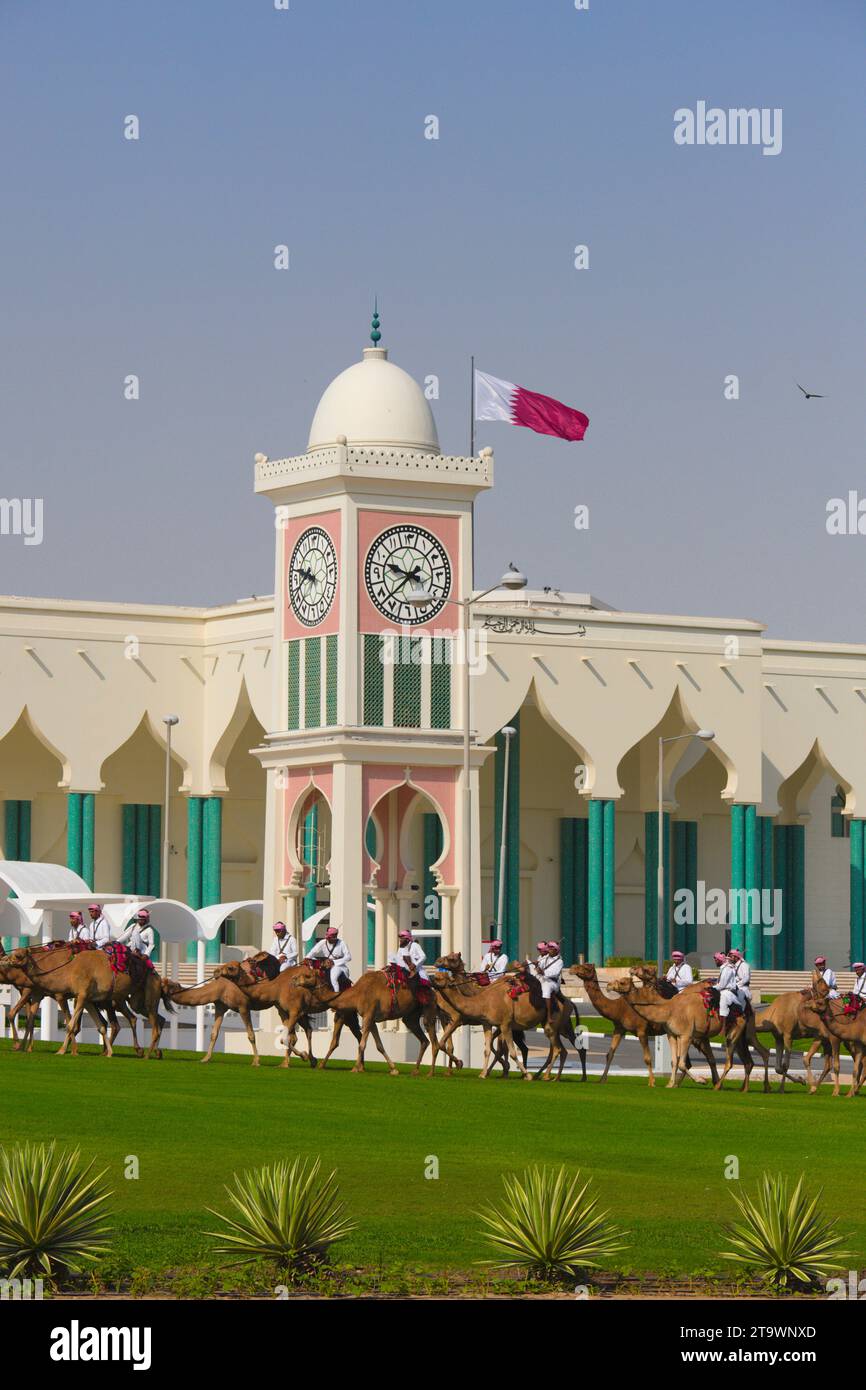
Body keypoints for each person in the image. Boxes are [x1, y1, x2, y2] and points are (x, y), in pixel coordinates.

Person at [307, 924, 352, 991]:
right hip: (326, 964)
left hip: (339, 965)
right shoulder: (323, 942)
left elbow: (348, 957)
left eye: (330, 938)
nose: (328, 940)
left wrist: (334, 962)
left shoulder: (342, 943)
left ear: (335, 936)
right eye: (328, 938)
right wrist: (307, 957)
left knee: (333, 978)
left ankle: (336, 993)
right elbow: (313, 951)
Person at [529, 939, 564, 1022]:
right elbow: (539, 967)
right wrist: (536, 965)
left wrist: (542, 972)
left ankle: (549, 1016)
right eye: (549, 949)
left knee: (546, 987)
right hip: (543, 977)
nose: (549, 950)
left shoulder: (560, 961)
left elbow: (554, 973)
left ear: (556, 950)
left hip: (552, 982)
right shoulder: (545, 958)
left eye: (551, 949)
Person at [716, 951, 745, 1024]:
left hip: (728, 992)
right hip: (726, 990)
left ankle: (723, 1028)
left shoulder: (727, 969)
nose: (729, 960)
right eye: (729, 958)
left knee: (723, 1010)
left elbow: (722, 985)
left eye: (716, 960)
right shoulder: (725, 968)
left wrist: (712, 988)